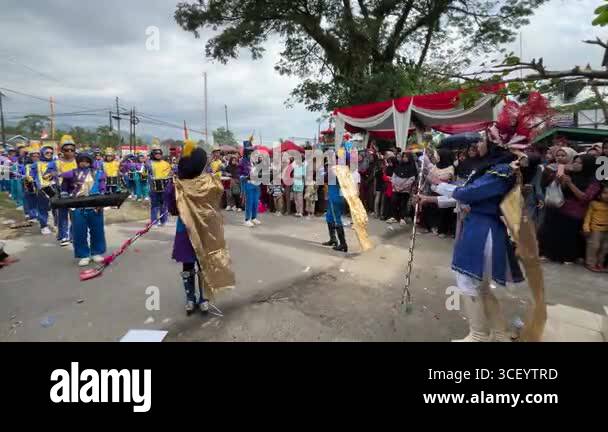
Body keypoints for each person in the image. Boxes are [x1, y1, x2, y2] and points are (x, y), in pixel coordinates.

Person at [428, 134, 525, 342]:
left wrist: (439, 185)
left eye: (482, 140)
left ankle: (479, 335)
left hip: (483, 229)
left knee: (466, 281)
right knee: (479, 286)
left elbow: (470, 193)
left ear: (495, 145)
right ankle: (498, 334)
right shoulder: (496, 168)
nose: (477, 144)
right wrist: (437, 186)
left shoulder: (502, 170)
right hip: (479, 226)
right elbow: (467, 192)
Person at [166, 140, 235, 315]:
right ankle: (203, 300)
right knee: (204, 263)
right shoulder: (210, 182)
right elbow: (218, 197)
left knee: (187, 266)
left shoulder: (176, 186)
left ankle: (191, 300)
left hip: (185, 231)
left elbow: (173, 209)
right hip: (206, 232)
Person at [540, 153, 600, 264]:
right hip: (560, 208)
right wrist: (560, 181)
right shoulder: (570, 174)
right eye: (575, 162)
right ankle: (552, 255)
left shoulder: (593, 181)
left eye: (579, 163)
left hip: (575, 213)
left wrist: (570, 183)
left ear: (587, 165)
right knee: (556, 234)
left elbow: (584, 198)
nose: (576, 165)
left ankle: (568, 257)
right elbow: (562, 190)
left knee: (569, 236)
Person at [59, 152, 107, 267]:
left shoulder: (98, 173)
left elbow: (102, 187)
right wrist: (64, 193)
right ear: (78, 161)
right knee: (79, 231)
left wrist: (102, 198)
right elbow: (64, 185)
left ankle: (96, 252)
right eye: (81, 160)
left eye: (87, 160)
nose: (84, 163)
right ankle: (83, 254)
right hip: (78, 206)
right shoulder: (73, 173)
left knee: (97, 230)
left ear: (90, 162)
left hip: (95, 205)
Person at [47, 135, 78, 247]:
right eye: (66, 150)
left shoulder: (79, 161)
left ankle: (73, 235)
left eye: (72, 150)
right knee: (63, 214)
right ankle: (63, 235)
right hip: (61, 191)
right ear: (61, 150)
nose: (69, 152)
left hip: (76, 191)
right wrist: (50, 175)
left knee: (75, 214)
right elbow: (47, 174)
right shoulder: (55, 163)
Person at [30, 144, 56, 235]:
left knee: (56, 206)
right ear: (42, 153)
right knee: (42, 207)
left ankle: (57, 224)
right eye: (47, 152)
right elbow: (31, 175)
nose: (49, 154)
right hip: (42, 188)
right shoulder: (36, 164)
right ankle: (44, 225)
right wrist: (30, 179)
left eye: (51, 153)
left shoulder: (56, 163)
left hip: (54, 187)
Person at [583, 182, 608, 272]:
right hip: (595, 229)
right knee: (594, 246)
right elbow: (588, 217)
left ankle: (599, 264)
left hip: (606, 230)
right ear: (599, 194)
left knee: (605, 248)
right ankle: (590, 263)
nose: (607, 196)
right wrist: (586, 228)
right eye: (605, 193)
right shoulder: (594, 204)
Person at [389, 152, 417, 226]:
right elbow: (393, 176)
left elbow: (411, 179)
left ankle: (402, 218)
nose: (404, 158)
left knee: (403, 204)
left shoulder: (412, 167)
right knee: (393, 201)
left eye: (406, 157)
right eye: (403, 157)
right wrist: (395, 185)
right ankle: (395, 216)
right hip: (396, 188)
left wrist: (402, 187)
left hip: (405, 190)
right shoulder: (399, 166)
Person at [148, 146, 173, 227]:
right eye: (156, 154)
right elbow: (145, 173)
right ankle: (154, 222)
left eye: (159, 154)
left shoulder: (166, 164)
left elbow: (170, 173)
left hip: (164, 187)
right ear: (153, 154)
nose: (158, 155)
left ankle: (164, 221)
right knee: (155, 205)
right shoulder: (149, 163)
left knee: (164, 204)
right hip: (154, 187)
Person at [239, 149, 262, 227]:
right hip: (248, 184)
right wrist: (244, 177)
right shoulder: (243, 162)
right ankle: (247, 220)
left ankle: (254, 217)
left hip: (256, 184)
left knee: (255, 202)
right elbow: (239, 174)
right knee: (249, 202)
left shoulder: (255, 162)